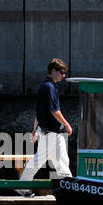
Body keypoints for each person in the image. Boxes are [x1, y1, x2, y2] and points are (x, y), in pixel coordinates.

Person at [18, 59, 73, 192]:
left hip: (52, 131)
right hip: (50, 132)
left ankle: (68, 188)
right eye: (61, 72)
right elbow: (54, 111)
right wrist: (67, 124)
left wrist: (34, 129)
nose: (64, 75)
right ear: (53, 71)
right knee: (39, 160)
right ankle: (22, 186)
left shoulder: (48, 86)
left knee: (62, 161)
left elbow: (39, 112)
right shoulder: (48, 87)